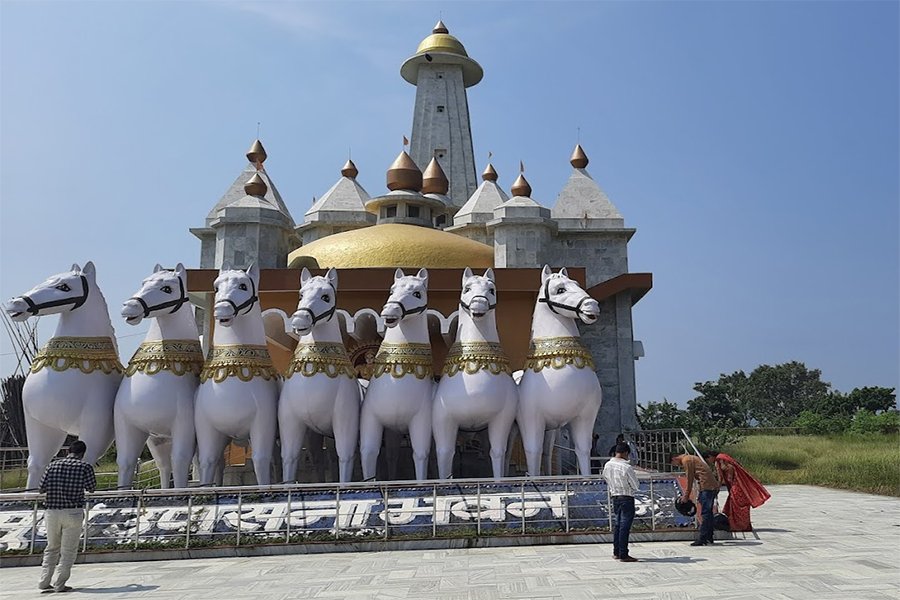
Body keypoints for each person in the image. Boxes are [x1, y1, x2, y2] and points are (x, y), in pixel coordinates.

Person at [38, 440, 96, 593]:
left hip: (52, 512)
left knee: (51, 548)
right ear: (83, 453)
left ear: (67, 451)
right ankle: (60, 584)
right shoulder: (85, 467)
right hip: (73, 512)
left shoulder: (52, 465)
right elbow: (91, 488)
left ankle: (44, 581)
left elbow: (41, 488)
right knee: (68, 551)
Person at [703, 450, 771, 531]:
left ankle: (738, 526)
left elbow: (725, 471)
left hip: (736, 485)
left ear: (710, 456)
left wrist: (723, 483)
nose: (709, 462)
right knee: (739, 504)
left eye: (708, 460)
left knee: (736, 505)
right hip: (740, 485)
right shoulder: (723, 456)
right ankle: (743, 526)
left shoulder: (719, 459)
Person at [670, 452, 719, 546]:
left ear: (674, 458)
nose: (676, 466)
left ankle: (703, 538)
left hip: (707, 486)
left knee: (705, 513)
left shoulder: (686, 460)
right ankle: (709, 537)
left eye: (674, 464)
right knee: (708, 513)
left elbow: (689, 478)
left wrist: (686, 495)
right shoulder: (691, 458)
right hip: (709, 486)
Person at [602, 442, 640, 562]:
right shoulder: (626, 467)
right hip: (626, 497)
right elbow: (635, 485)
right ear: (625, 453)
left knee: (618, 525)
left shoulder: (607, 465)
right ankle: (624, 553)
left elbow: (605, 478)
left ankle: (616, 551)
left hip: (615, 496)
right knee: (624, 526)